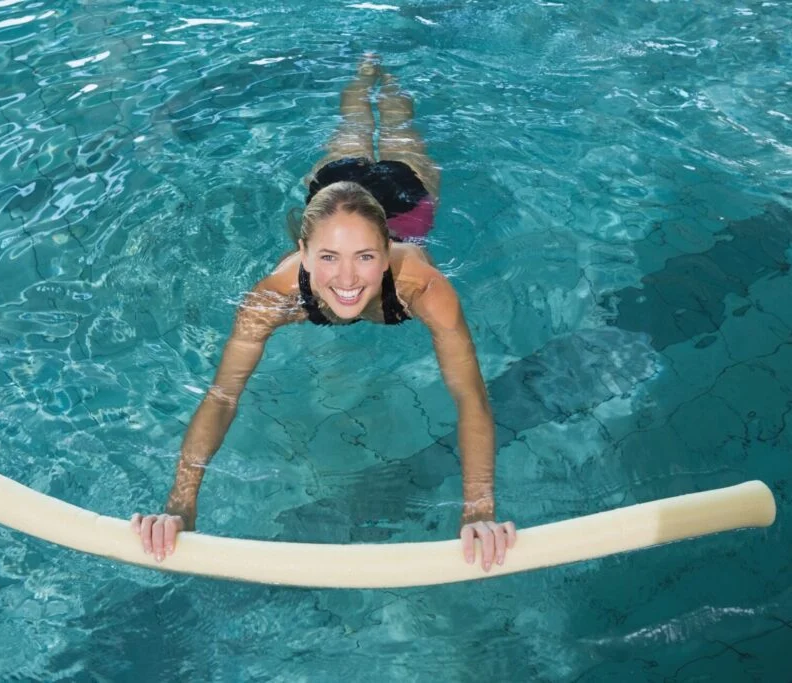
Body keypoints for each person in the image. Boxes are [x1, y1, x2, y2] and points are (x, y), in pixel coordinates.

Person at [131, 56, 516, 572]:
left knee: (398, 128)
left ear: (387, 251)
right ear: (303, 253)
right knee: (354, 128)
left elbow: (471, 397)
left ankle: (390, 75)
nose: (349, 280)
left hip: (405, 196)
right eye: (328, 259)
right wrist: (181, 503)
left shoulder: (422, 286)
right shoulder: (273, 298)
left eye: (366, 258)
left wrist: (479, 510)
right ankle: (363, 74)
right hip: (335, 189)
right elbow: (223, 396)